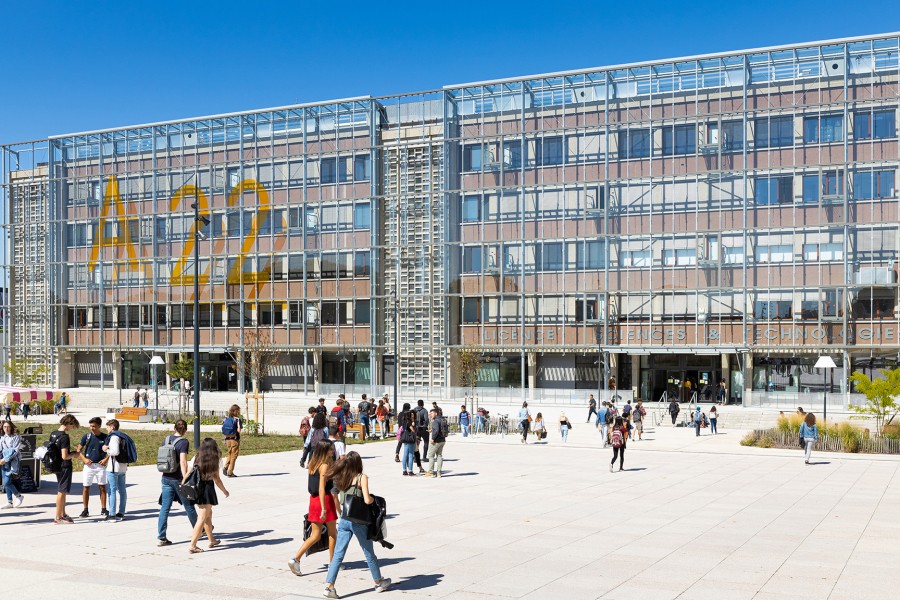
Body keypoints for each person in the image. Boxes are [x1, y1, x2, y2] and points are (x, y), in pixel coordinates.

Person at [322, 451, 391, 597]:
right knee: (369, 553)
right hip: (359, 521)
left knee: (338, 555)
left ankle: (329, 586)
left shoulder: (341, 476)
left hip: (345, 520)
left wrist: (340, 512)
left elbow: (336, 497)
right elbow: (366, 500)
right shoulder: (361, 477)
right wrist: (373, 500)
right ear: (359, 463)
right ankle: (378, 582)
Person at [289, 440, 339, 576]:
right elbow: (322, 488)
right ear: (324, 451)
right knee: (333, 534)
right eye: (330, 449)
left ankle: (295, 559)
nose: (332, 451)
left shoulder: (312, 464)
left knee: (315, 535)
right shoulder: (323, 466)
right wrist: (324, 508)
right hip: (325, 501)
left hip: (313, 501)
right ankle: (332, 563)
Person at [184, 438, 230, 553]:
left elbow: (189, 473)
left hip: (197, 488)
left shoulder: (196, 457)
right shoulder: (216, 459)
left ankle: (211, 540)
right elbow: (217, 479)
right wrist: (225, 491)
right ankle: (192, 545)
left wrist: (182, 484)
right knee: (202, 517)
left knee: (208, 514)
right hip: (207, 489)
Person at [157, 420, 198, 546]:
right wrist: (185, 478)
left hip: (165, 477)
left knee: (165, 508)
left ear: (174, 428)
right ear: (185, 430)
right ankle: (199, 529)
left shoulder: (166, 439)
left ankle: (161, 537)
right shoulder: (183, 442)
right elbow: (183, 462)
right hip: (177, 479)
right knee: (189, 505)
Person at [77, 416, 109, 519]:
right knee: (86, 487)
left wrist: (105, 459)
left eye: (94, 426)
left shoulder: (105, 437)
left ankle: (104, 509)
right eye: (90, 426)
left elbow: (111, 450)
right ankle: (85, 509)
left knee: (102, 487)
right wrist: (84, 459)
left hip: (100, 466)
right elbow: (78, 450)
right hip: (88, 466)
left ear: (99, 426)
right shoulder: (86, 436)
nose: (91, 428)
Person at [51, 415, 81, 524]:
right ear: (69, 423)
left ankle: (62, 513)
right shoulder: (64, 437)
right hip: (64, 466)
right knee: (62, 491)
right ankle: (58, 517)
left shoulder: (53, 434)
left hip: (56, 465)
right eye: (72, 426)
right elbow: (65, 456)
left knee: (62, 490)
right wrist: (74, 454)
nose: (72, 428)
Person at [101, 419, 127, 521]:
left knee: (112, 491)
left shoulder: (114, 437)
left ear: (112, 427)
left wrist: (105, 449)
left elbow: (115, 452)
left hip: (113, 468)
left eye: (107, 427)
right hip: (122, 467)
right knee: (122, 491)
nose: (106, 429)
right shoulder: (122, 436)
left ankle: (112, 515)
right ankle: (121, 513)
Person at [0, 421, 25, 509]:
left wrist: (5, 459)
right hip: (3, 462)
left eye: (8, 427)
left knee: (7, 483)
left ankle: (18, 496)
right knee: (5, 482)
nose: (6, 428)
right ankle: (9, 502)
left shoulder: (16, 437)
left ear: (11, 427)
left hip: (13, 462)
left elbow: (15, 451)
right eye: (4, 427)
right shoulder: (2, 438)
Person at [397, 403, 420, 476]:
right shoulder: (409, 422)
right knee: (410, 455)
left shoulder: (404, 421)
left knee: (405, 455)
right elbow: (413, 430)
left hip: (405, 439)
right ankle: (410, 470)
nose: (413, 415)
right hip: (410, 439)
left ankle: (404, 470)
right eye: (411, 415)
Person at [424, 408, 446, 478]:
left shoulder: (435, 421)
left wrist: (433, 438)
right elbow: (440, 429)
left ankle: (431, 472)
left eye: (431, 413)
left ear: (436, 413)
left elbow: (436, 431)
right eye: (430, 414)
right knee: (439, 455)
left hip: (436, 441)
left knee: (431, 456)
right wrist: (432, 430)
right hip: (442, 440)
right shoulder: (443, 419)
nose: (430, 415)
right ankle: (439, 473)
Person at [222, 404, 243, 478]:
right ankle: (230, 472)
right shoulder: (237, 419)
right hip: (235, 440)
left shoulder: (226, 418)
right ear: (236, 411)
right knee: (234, 456)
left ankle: (225, 466)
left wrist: (225, 439)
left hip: (227, 439)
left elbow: (224, 429)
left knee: (230, 453)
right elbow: (239, 430)